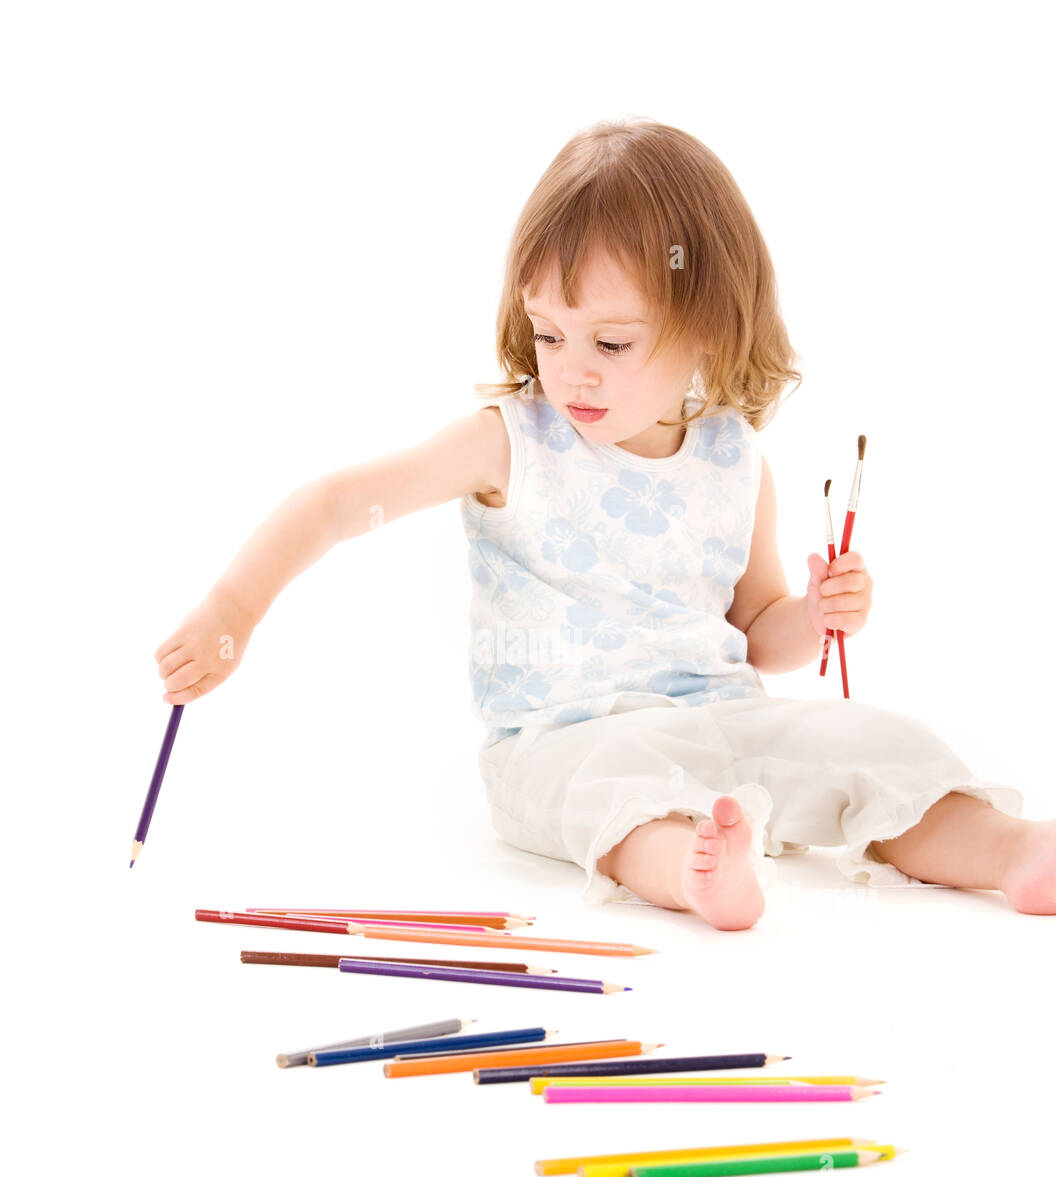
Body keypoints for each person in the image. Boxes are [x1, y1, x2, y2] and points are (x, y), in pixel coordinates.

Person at [153, 117, 1055, 929]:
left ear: (707, 327)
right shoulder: (512, 443)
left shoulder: (735, 461)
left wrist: (816, 618)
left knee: (872, 739)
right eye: (549, 336)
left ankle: (1011, 850)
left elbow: (758, 632)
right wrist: (234, 607)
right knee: (618, 792)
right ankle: (698, 874)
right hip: (560, 745)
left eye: (610, 344)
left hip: (721, 723)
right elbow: (342, 502)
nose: (570, 373)